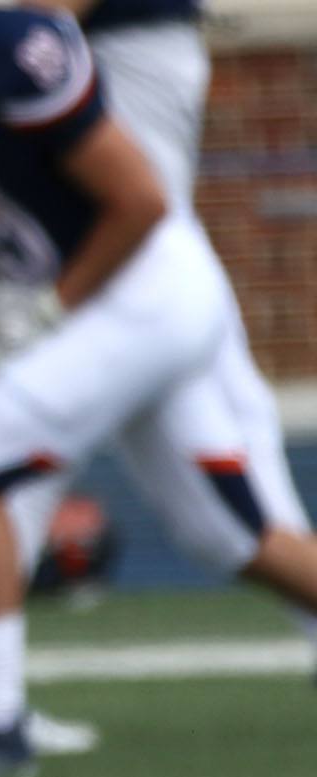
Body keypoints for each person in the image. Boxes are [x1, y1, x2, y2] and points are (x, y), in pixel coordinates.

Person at [0, 0, 317, 777]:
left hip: (146, 290)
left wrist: (54, 304)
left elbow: (143, 201)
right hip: (102, 307)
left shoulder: (13, 50)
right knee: (227, 533)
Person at [35, 0, 317, 655]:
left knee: (216, 517)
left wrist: (23, 37)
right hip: (121, 45)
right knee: (230, 479)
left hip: (123, 44)